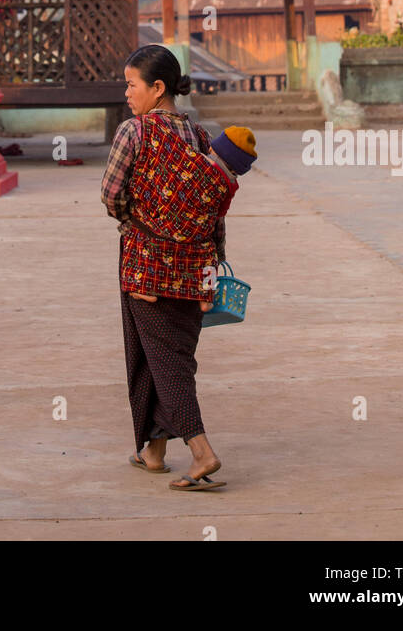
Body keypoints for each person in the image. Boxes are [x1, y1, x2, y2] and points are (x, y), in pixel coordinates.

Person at [100, 43, 257, 492]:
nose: (127, 93)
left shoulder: (135, 133)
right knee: (161, 356)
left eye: (132, 85)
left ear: (158, 88)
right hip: (195, 268)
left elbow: (111, 195)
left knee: (166, 364)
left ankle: (202, 452)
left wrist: (135, 222)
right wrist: (212, 259)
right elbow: (214, 212)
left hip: (146, 266)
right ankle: (153, 450)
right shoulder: (201, 137)